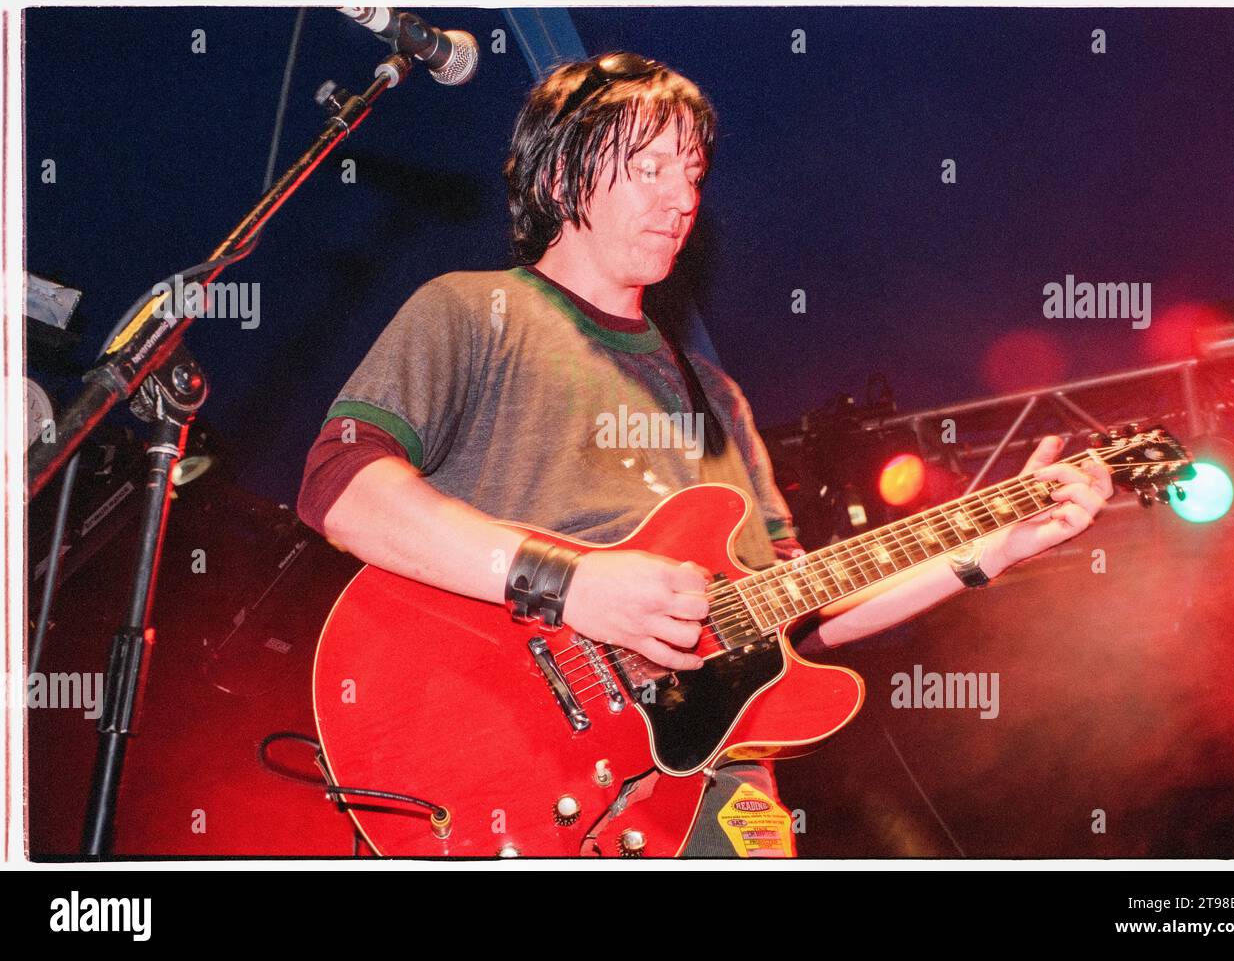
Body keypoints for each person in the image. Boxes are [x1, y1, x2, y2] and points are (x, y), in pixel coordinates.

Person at [296, 52, 1114, 858]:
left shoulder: (717, 398)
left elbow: (803, 612)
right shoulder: (475, 313)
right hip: (526, 764)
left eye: (690, 173)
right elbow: (341, 490)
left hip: (722, 801)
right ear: (556, 178)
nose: (680, 197)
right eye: (647, 166)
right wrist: (572, 581)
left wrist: (989, 549)